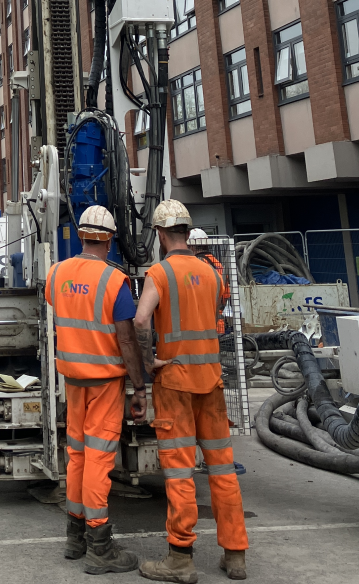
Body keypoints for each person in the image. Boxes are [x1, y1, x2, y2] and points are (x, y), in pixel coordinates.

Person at [135, 202, 249, 583]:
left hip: (176, 387)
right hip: (212, 385)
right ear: (187, 231)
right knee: (222, 471)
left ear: (161, 235)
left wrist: (150, 360)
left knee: (180, 473)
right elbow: (215, 313)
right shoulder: (211, 274)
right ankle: (234, 556)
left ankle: (180, 559)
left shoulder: (160, 272)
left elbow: (140, 319)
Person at [45, 205, 148, 575]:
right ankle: (99, 546)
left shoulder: (56, 274)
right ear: (108, 240)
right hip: (105, 382)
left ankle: (74, 536)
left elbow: (62, 308)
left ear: (82, 235)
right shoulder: (114, 280)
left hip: (73, 381)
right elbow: (127, 338)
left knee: (76, 455)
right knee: (99, 459)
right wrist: (139, 387)